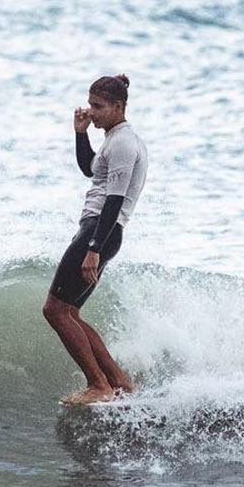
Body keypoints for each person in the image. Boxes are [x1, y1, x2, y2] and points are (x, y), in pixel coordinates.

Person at [44, 74, 149, 406]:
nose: (93, 112)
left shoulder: (123, 143)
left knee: (55, 310)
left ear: (118, 107)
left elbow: (114, 200)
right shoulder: (115, 139)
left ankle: (98, 386)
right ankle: (118, 382)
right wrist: (80, 134)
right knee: (70, 311)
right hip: (101, 231)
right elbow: (91, 170)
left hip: (100, 230)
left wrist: (93, 249)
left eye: (99, 107)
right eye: (91, 104)